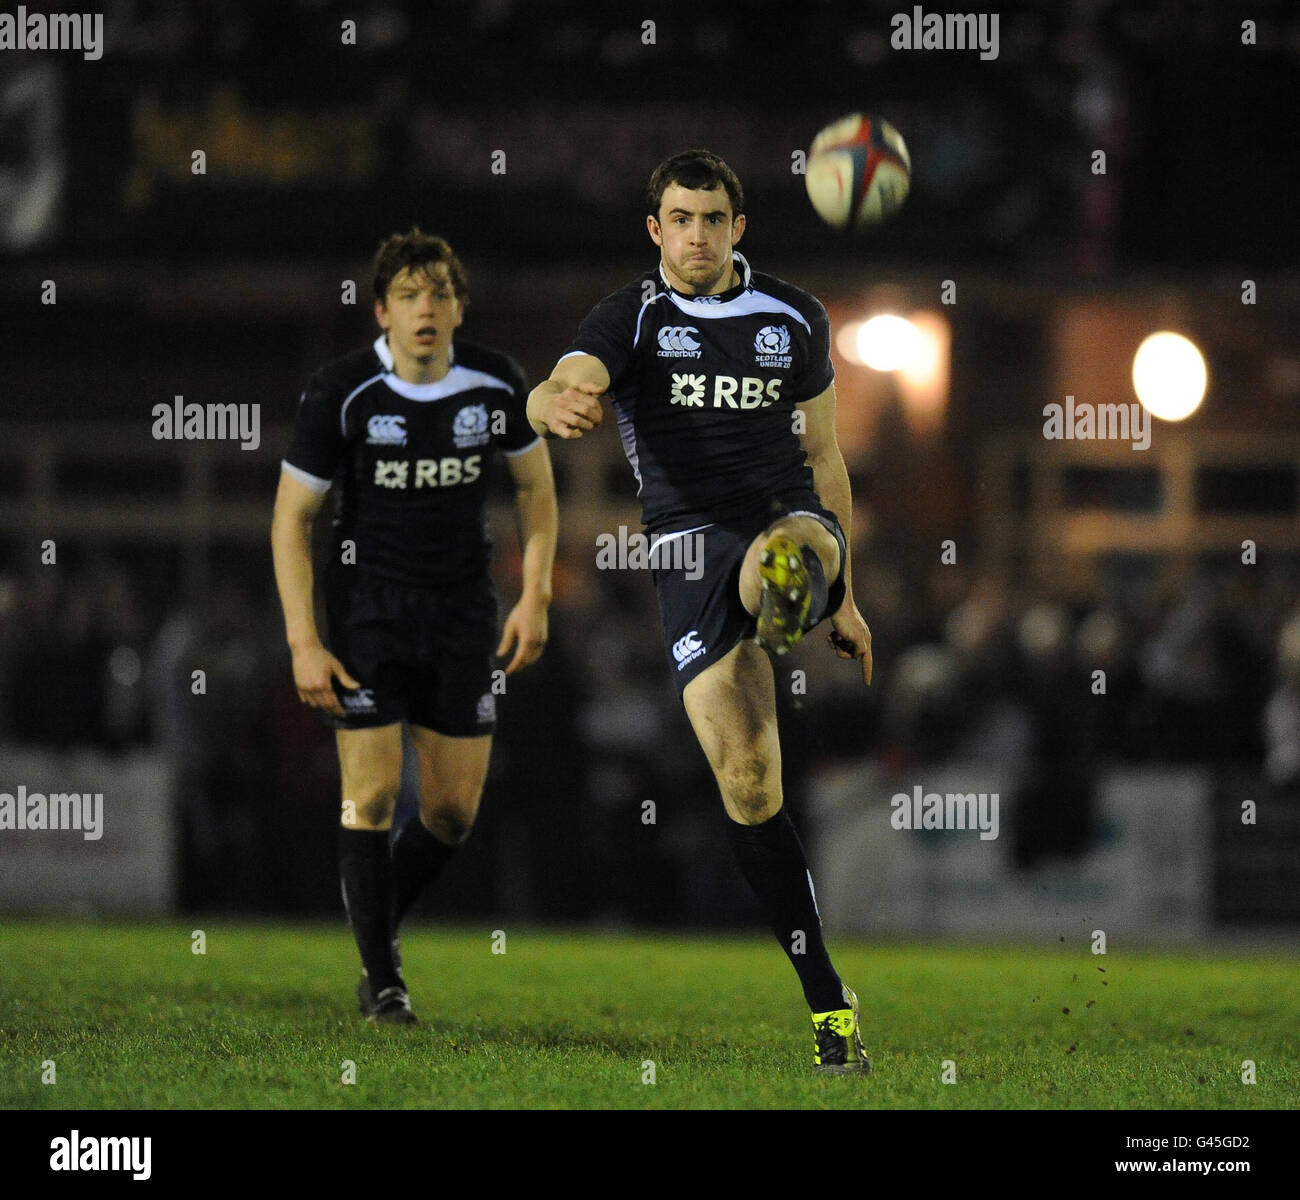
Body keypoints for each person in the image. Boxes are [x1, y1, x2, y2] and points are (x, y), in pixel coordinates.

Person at [527, 150, 874, 1073]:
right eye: (680, 218)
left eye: (713, 218)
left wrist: (851, 594)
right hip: (685, 557)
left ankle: (790, 598)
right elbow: (565, 373)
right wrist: (550, 399)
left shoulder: (793, 316)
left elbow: (829, 459)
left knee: (787, 555)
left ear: (738, 229)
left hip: (783, 521)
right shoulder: (634, 316)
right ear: (655, 230)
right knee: (751, 785)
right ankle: (828, 1003)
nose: (697, 235)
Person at [272, 229, 556, 1023]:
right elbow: (291, 519)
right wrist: (304, 639)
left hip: (464, 615)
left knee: (452, 814)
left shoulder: (496, 383)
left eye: (438, 294)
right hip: (370, 613)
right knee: (369, 797)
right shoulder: (343, 392)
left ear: (460, 307)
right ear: (382, 311)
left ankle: (374, 930)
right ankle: (383, 985)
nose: (424, 308)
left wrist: (535, 596)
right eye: (408, 295)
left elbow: (536, 492)